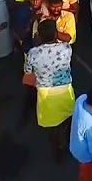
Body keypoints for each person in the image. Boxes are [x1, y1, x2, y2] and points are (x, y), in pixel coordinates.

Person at [24, 19, 77, 162]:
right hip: (64, 90)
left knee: (52, 127)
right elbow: (68, 39)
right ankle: (68, 141)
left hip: (45, 93)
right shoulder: (66, 49)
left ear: (39, 36)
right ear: (55, 34)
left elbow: (28, 72)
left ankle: (58, 150)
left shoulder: (33, 53)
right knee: (67, 118)